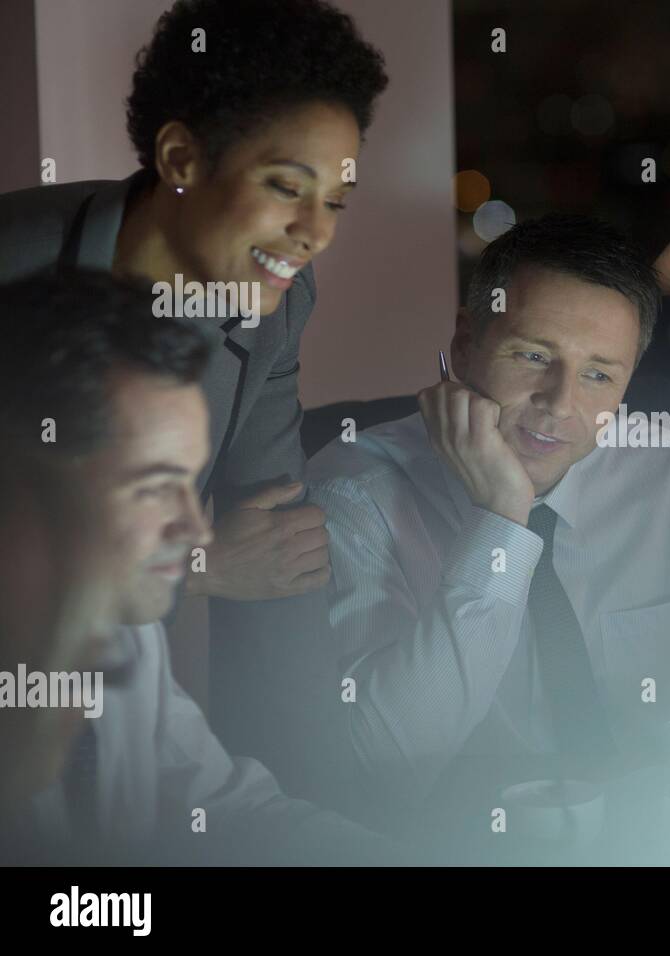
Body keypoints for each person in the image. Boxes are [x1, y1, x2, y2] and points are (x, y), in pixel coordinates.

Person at [0, 0, 389, 798]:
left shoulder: (274, 302)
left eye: (336, 202)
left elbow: (276, 549)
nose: (317, 232)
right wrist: (197, 570)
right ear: (180, 157)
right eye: (288, 186)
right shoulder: (12, 266)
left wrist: (312, 806)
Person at [309, 214, 670, 814]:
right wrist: (502, 518)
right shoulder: (354, 491)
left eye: (599, 375)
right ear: (465, 345)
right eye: (532, 356)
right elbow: (384, 765)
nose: (560, 404)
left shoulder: (669, 472)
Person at [0, 273, 395, 864]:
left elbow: (217, 806)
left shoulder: (122, 631)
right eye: (154, 487)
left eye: (190, 483)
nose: (196, 531)